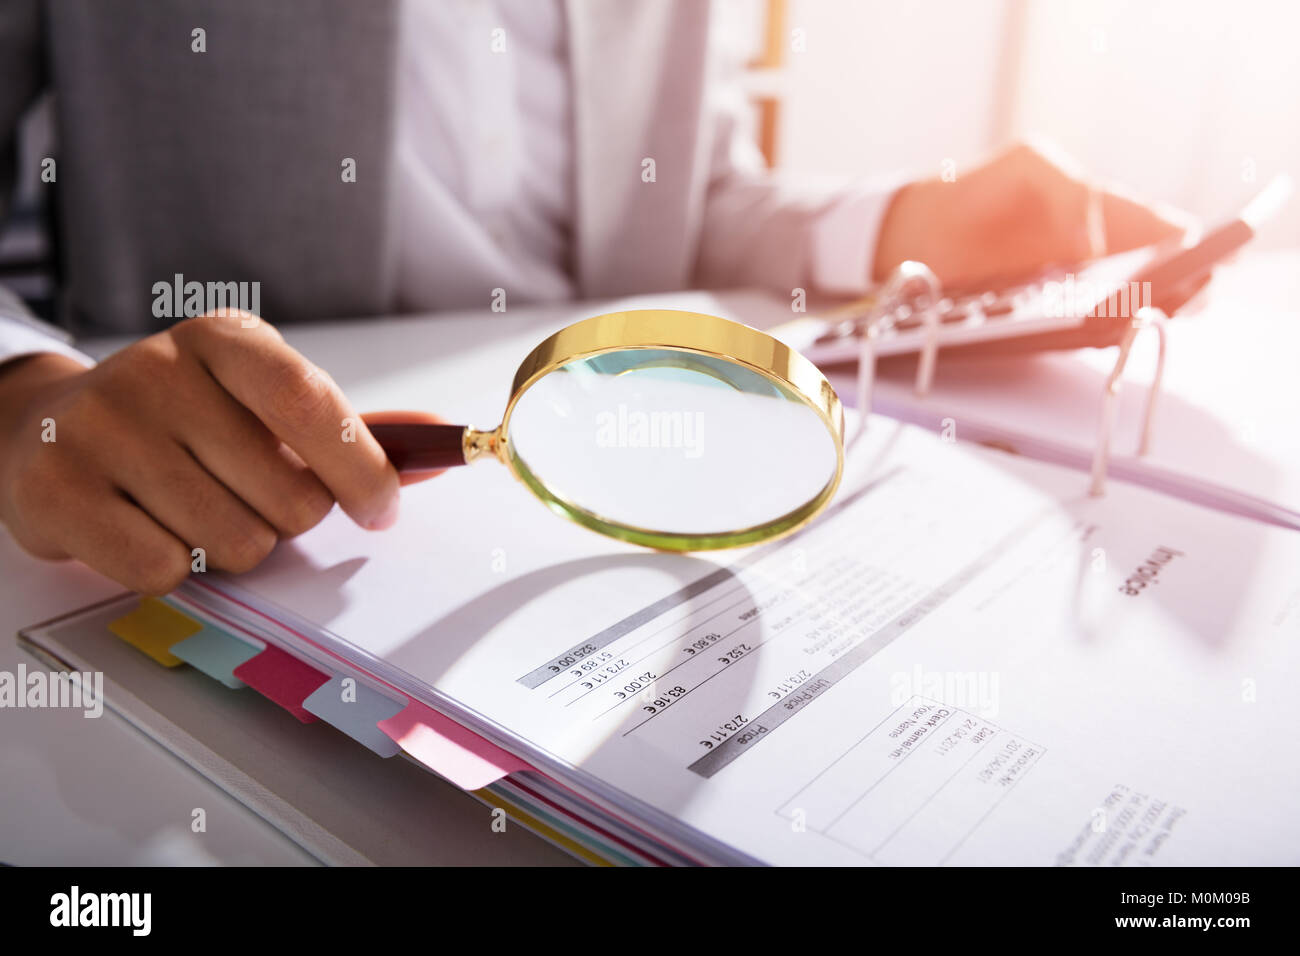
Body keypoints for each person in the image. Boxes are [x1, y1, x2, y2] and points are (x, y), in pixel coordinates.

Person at [0, 1, 1188, 594]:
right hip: (223, 502)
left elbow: (686, 191)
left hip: (635, 438)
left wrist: (897, 222)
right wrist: (25, 392)